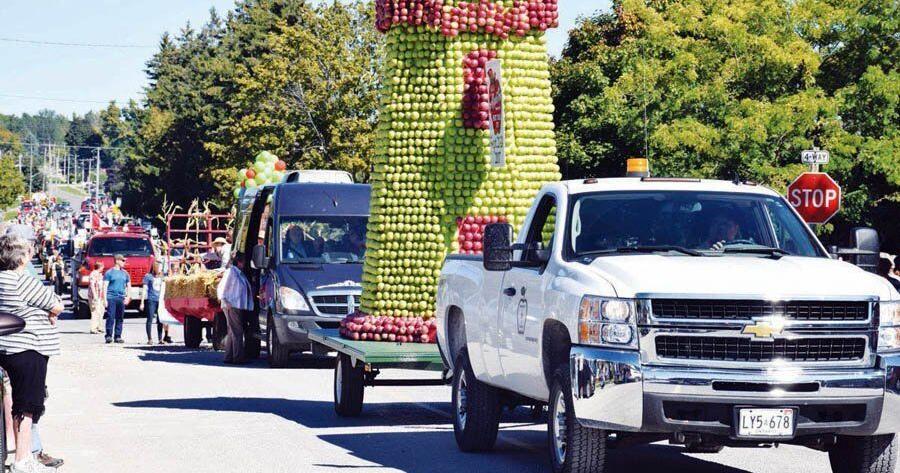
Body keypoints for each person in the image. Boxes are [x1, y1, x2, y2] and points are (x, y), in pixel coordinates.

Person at [0, 235, 64, 473]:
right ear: (21, 258)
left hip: (6, 346)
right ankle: (22, 460)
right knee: (27, 406)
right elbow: (56, 304)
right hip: (29, 346)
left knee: (16, 402)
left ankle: (21, 456)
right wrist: (49, 311)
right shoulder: (21, 280)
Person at [217, 256, 253, 364]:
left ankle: (228, 357)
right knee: (237, 331)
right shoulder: (231, 272)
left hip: (237, 305)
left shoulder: (238, 273)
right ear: (239, 263)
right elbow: (221, 287)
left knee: (232, 331)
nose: (244, 265)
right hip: (232, 304)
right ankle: (238, 357)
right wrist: (224, 300)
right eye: (243, 262)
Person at [104, 255, 131, 344]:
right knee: (111, 317)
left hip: (121, 297)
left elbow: (129, 286)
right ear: (117, 261)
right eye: (123, 260)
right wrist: (104, 299)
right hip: (111, 297)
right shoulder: (109, 273)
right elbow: (105, 286)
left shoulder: (125, 273)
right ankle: (108, 335)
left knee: (120, 318)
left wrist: (128, 297)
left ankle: (118, 336)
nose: (124, 262)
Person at [140, 263, 164, 345]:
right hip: (151, 300)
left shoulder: (162, 277)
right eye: (159, 268)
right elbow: (144, 289)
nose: (160, 270)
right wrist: (142, 302)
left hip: (160, 300)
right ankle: (149, 338)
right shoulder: (148, 276)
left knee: (160, 320)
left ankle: (160, 338)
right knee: (150, 318)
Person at [87, 262, 106, 334]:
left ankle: (99, 327)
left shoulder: (100, 275)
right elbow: (92, 285)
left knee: (101, 311)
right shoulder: (93, 274)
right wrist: (94, 295)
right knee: (95, 312)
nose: (103, 268)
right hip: (95, 296)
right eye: (102, 267)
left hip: (100, 296)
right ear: (100, 267)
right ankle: (93, 328)